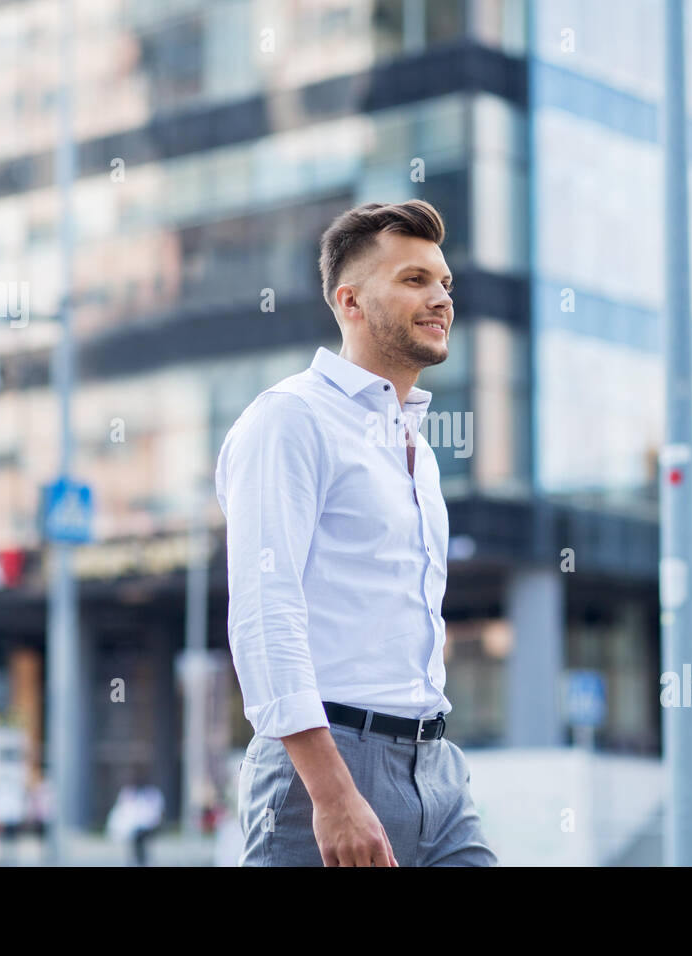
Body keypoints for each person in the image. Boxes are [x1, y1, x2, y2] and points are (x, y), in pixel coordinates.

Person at [216, 199, 498, 867]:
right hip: (327, 771)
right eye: (413, 280)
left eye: (444, 283)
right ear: (350, 301)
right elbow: (264, 612)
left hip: (437, 773)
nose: (440, 299)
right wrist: (333, 793)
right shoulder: (290, 421)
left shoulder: (416, 448)